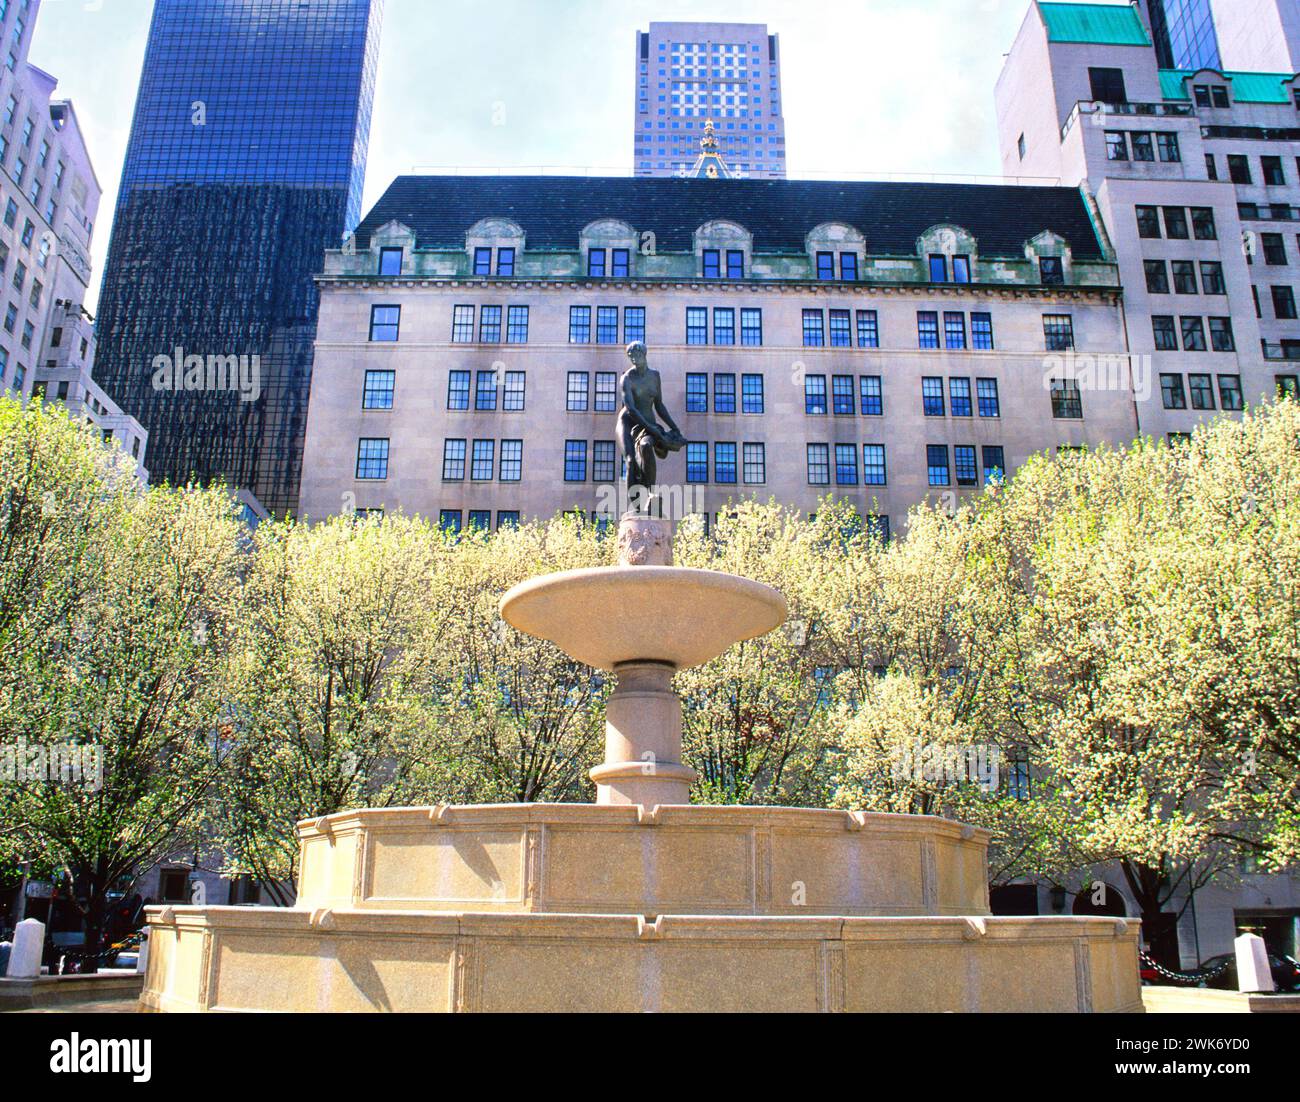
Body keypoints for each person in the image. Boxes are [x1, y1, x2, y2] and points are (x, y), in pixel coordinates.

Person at [616, 342, 686, 513]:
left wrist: (674, 427)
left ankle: (650, 496)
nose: (634, 358)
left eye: (637, 354)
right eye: (631, 356)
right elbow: (631, 409)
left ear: (644, 354)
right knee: (631, 461)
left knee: (647, 446)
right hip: (628, 423)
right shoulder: (626, 379)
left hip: (647, 424)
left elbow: (659, 405)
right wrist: (653, 429)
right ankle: (636, 507)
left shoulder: (655, 376)